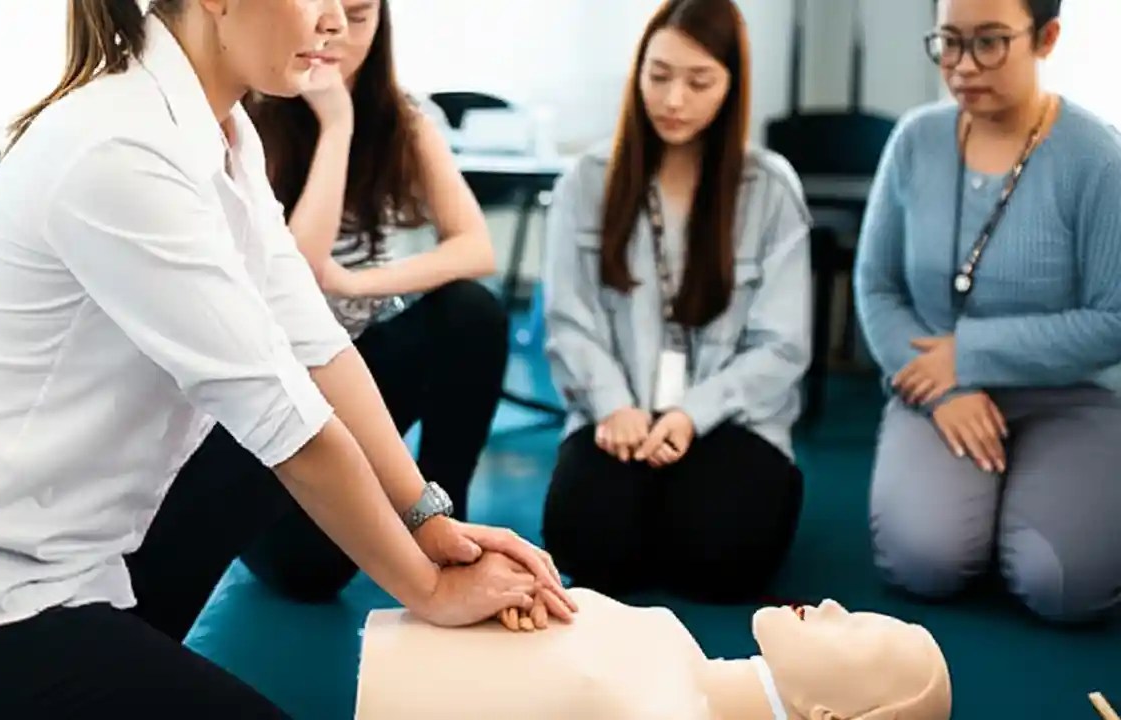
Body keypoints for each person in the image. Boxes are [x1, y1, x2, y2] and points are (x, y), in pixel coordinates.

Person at [0, 1, 576, 718]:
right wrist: (429, 590)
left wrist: (427, 518)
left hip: (66, 566)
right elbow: (287, 428)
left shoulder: (225, 135)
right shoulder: (119, 148)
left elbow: (313, 343)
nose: (335, 20)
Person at [182, 0, 508, 604]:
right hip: (280, 399)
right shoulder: (254, 108)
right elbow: (299, 278)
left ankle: (446, 521)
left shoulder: (405, 116)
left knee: (472, 313)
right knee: (309, 575)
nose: (333, 30)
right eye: (321, 6)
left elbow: (475, 248)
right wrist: (337, 127)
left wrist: (359, 283)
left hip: (360, 366)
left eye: (358, 15)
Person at [855, 0, 1121, 624]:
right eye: (950, 41)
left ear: (1047, 37)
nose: (963, 66)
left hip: (1072, 396)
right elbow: (876, 287)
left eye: (991, 42)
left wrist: (969, 355)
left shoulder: (1099, 159)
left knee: (1062, 586)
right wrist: (945, 390)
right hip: (935, 390)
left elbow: (1115, 317)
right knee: (923, 561)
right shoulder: (914, 141)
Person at [540, 0, 812, 604]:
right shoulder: (585, 182)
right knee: (588, 550)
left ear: (732, 85)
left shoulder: (771, 190)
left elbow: (782, 344)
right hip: (617, 419)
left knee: (720, 562)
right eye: (658, 76)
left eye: (699, 81)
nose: (673, 101)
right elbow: (568, 320)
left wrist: (692, 414)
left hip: (730, 421)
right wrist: (612, 405)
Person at [356, 564, 952, 720]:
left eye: (855, 632)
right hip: (390, 630)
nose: (829, 607)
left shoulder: (658, 704)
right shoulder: (673, 646)